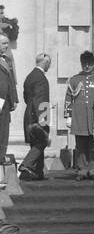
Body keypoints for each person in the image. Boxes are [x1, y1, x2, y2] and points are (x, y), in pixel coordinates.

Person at [64, 51, 94, 180]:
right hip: (80, 117)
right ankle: (82, 170)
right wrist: (69, 115)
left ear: (93, 64)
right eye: (84, 64)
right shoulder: (75, 79)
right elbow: (69, 98)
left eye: (89, 64)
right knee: (81, 146)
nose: (86, 66)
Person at [19, 52, 51, 181]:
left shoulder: (30, 76)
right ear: (46, 63)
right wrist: (43, 118)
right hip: (39, 114)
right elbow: (41, 98)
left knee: (35, 143)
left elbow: (26, 97)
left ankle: (39, 172)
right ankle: (26, 164)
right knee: (43, 140)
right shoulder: (41, 78)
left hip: (29, 113)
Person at [0, 34, 17, 163]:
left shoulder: (8, 60)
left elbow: (11, 81)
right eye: (3, 43)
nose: (6, 46)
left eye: (7, 43)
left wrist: (14, 98)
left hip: (5, 101)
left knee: (4, 130)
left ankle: (1, 156)